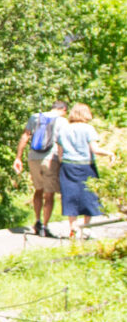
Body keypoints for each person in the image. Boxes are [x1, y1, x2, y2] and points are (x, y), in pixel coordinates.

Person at [14, 99, 66, 239]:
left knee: (38, 190)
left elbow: (25, 136)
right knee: (49, 194)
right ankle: (45, 226)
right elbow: (63, 142)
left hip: (33, 158)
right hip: (51, 158)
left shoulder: (35, 117)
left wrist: (18, 157)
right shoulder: (62, 121)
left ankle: (37, 221)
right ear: (63, 110)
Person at [53, 102, 102, 242]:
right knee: (89, 195)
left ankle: (73, 228)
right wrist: (110, 153)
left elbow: (60, 153)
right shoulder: (88, 129)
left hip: (68, 166)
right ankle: (86, 228)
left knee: (70, 196)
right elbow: (95, 149)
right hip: (86, 165)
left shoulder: (64, 129)